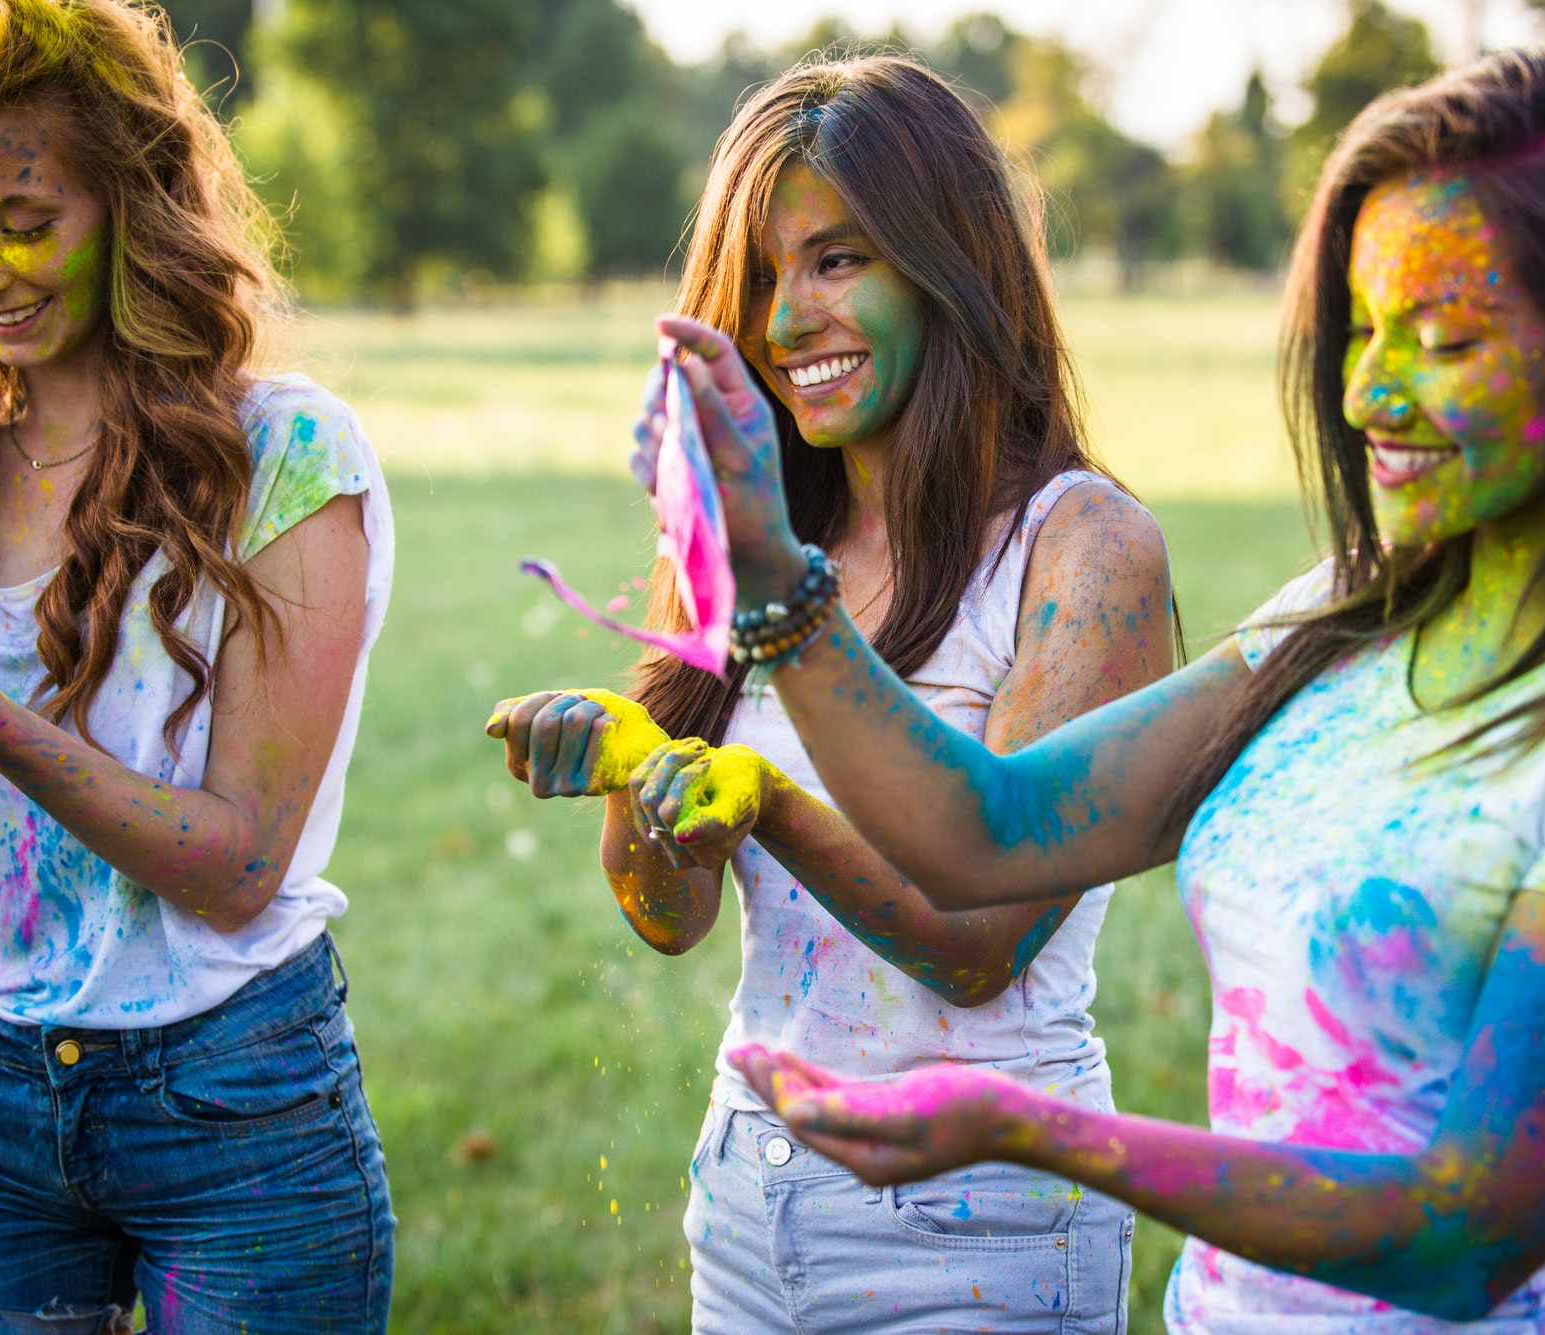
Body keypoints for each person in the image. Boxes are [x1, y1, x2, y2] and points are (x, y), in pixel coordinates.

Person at [654, 44, 1545, 1333]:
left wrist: (1025, 1130)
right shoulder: (1340, 614)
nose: (1366, 393)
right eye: (1362, 330)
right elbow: (986, 834)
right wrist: (770, 570)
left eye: (1443, 340)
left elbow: (1464, 1236)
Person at [489, 55, 1175, 1332]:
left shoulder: (1080, 552)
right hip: (748, 1197)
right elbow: (670, 919)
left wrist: (767, 801)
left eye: (836, 260)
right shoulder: (762, 534)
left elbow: (978, 947)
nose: (785, 318)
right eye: (758, 276)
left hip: (979, 1222)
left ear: (949, 266)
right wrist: (641, 778)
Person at [0, 1, 397, 1330]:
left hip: (236, 1100)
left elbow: (236, 869)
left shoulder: (286, 455)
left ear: (133, 203)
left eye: (26, 221)